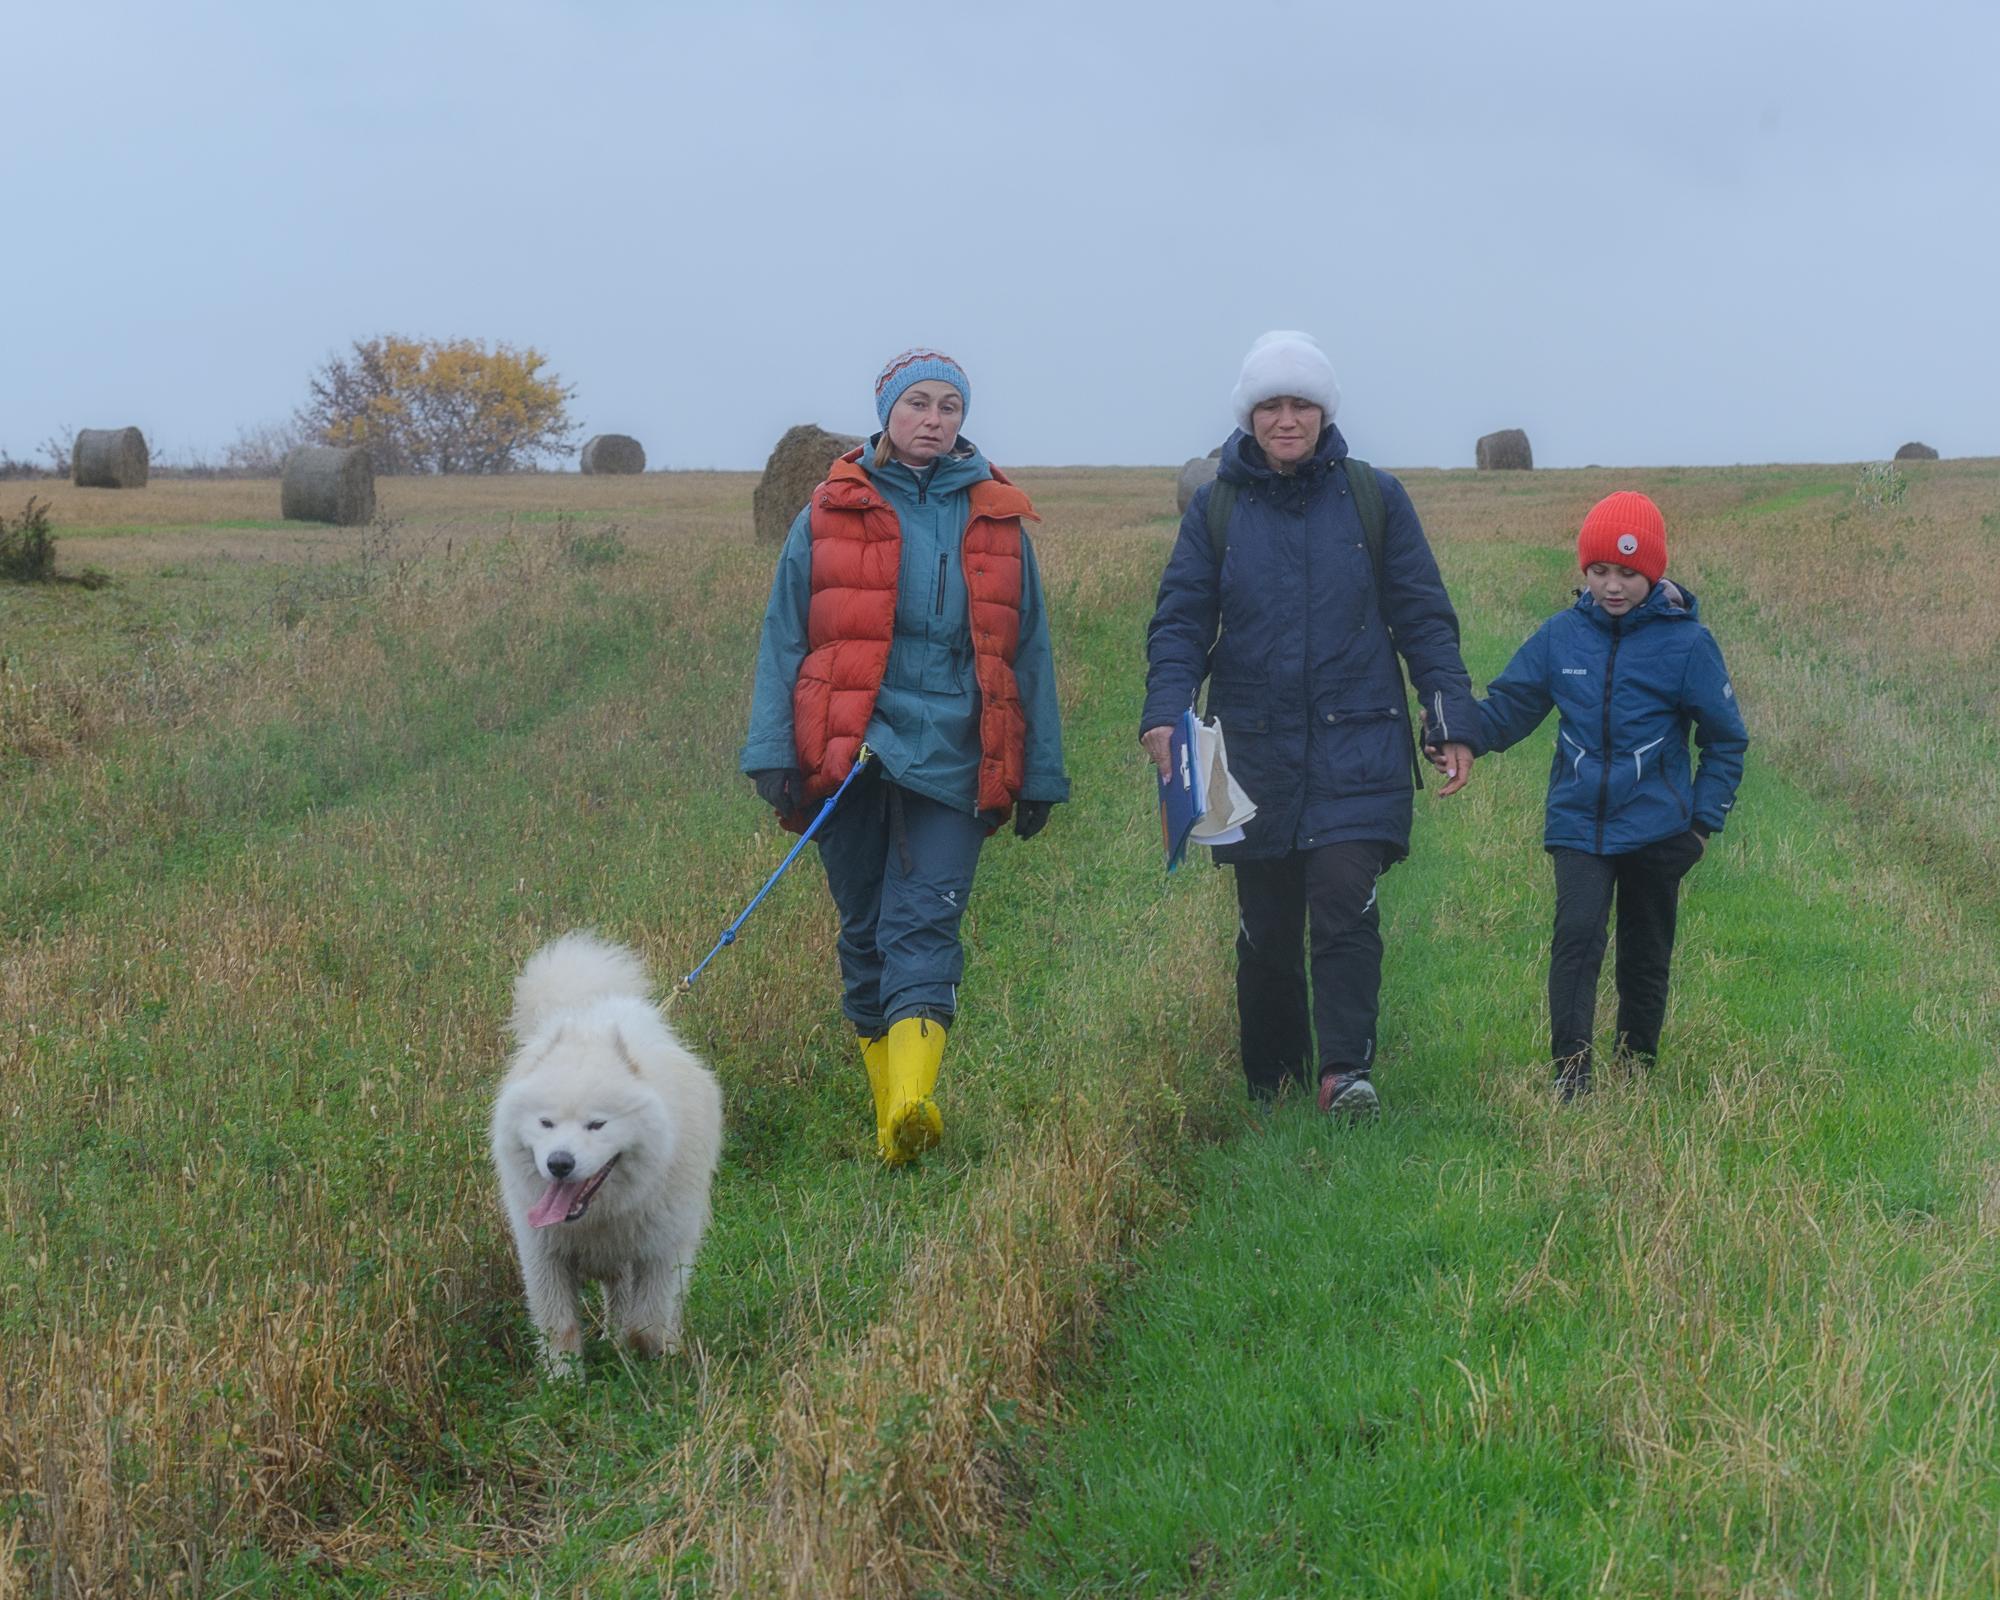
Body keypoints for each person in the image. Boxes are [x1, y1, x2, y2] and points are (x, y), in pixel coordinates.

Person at [742, 348, 1068, 1165]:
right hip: (845, 752)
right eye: (918, 404)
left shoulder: (994, 517)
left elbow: (1028, 651)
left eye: (948, 407)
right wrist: (773, 752)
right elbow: (786, 634)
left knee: (926, 922)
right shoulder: (826, 509)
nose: (933, 419)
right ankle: (891, 1112)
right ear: (886, 411)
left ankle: (915, 1100)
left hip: (955, 749)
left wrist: (1040, 773)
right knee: (864, 930)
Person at [1142, 330, 1479, 1117]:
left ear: (1324, 414)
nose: (1286, 419)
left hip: (1358, 738)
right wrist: (1165, 712)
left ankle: (1345, 1072)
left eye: (1301, 405)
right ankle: (1274, 1080)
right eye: (1271, 405)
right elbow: (1181, 621)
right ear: (1249, 415)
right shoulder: (1217, 508)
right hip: (1252, 750)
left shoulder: (1373, 498)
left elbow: (1423, 616)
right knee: (1266, 924)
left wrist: (1448, 717)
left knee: (1342, 897)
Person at [1448, 490, 1747, 1099]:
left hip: (1661, 828)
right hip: (1579, 822)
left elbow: (1725, 741)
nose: (1613, 587)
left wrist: (1701, 824)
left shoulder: (1688, 645)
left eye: (1629, 574)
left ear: (1653, 572)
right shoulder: (1560, 636)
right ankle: (1572, 1075)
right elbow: (1511, 706)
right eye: (1600, 571)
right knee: (1576, 938)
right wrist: (1461, 737)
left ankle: (1636, 1067)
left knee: (1645, 950)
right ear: (1583, 571)